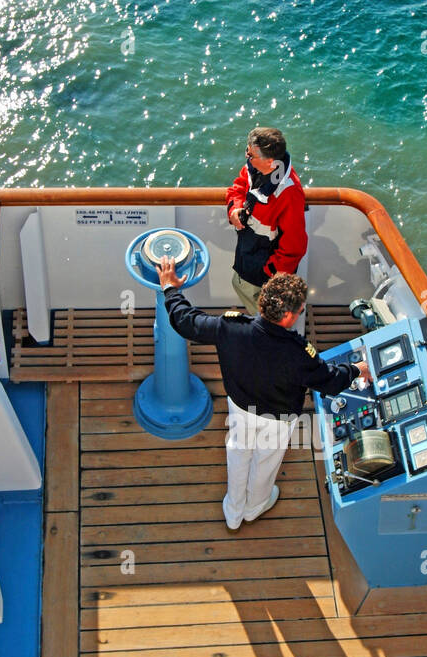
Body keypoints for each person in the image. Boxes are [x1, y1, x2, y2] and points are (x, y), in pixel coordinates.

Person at [157, 256, 368, 530]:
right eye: (301, 309)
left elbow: (186, 322)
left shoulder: (230, 328)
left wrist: (170, 289)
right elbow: (329, 381)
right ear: (291, 315)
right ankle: (255, 507)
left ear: (261, 303)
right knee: (265, 463)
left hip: (240, 408)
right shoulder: (299, 353)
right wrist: (355, 369)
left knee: (238, 453)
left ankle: (233, 513)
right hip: (277, 419)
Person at [225, 127, 307, 321]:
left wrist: (271, 273)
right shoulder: (252, 168)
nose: (246, 156)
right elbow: (237, 188)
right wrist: (235, 209)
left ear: (270, 162)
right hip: (250, 252)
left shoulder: (289, 194)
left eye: (250, 154)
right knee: (240, 285)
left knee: (270, 316)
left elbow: (295, 246)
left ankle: (271, 335)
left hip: (266, 268)